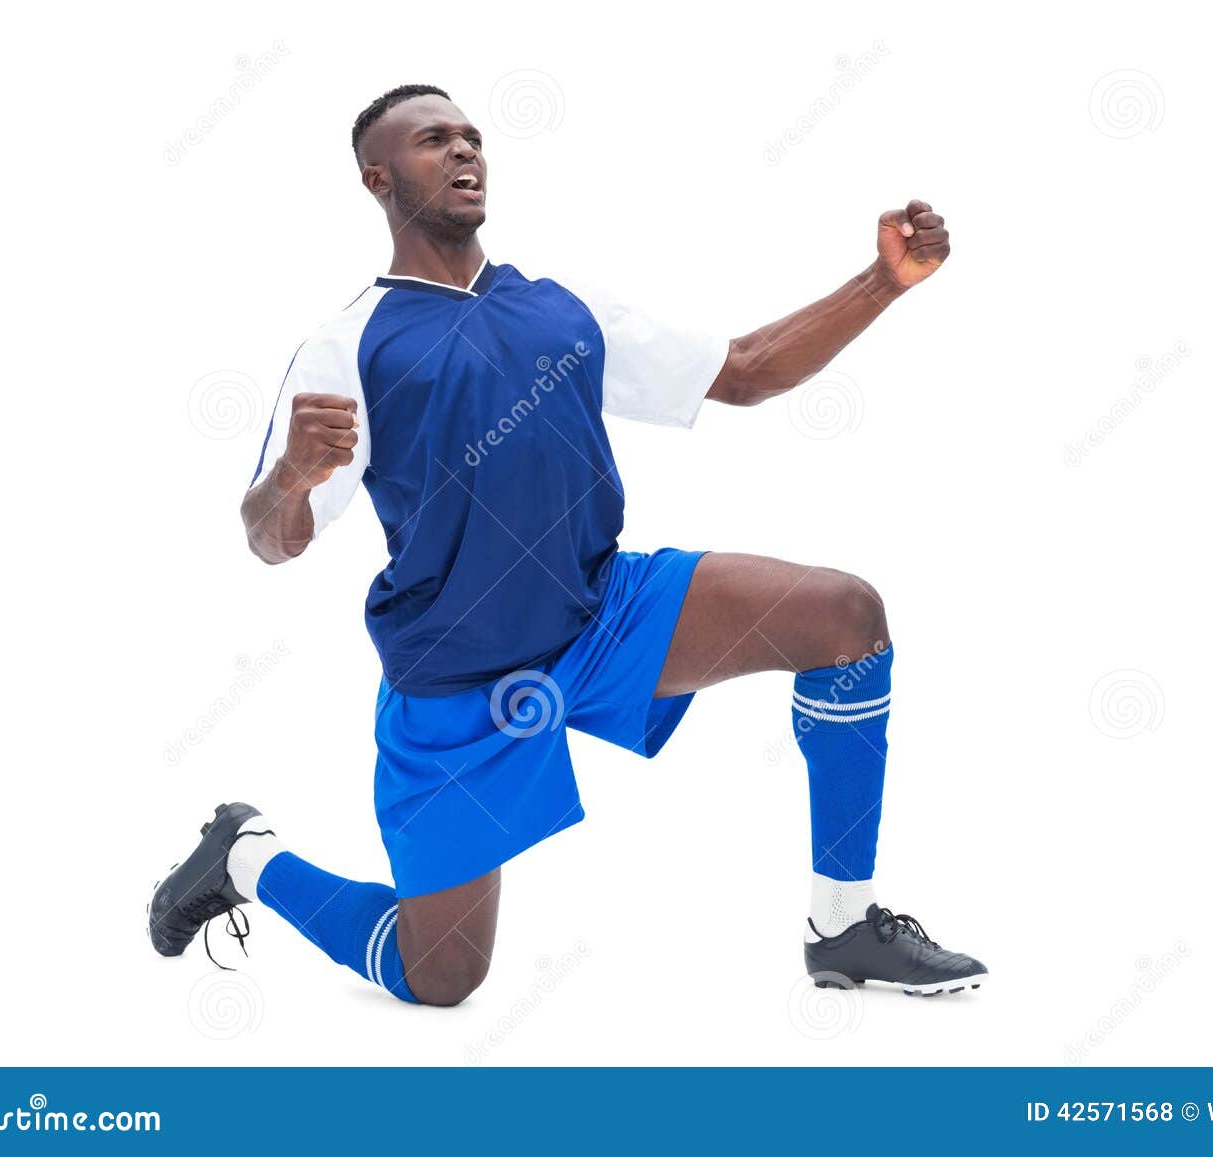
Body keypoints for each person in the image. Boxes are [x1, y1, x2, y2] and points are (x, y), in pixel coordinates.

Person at [148, 84, 986, 1005]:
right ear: (377, 178)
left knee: (844, 616)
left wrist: (882, 283)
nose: (465, 153)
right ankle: (249, 855)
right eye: (434, 141)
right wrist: (293, 479)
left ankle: (844, 927)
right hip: (459, 681)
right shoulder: (348, 346)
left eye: (471, 137)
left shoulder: (562, 308)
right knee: (440, 980)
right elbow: (270, 541)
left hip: (602, 615)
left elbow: (744, 372)